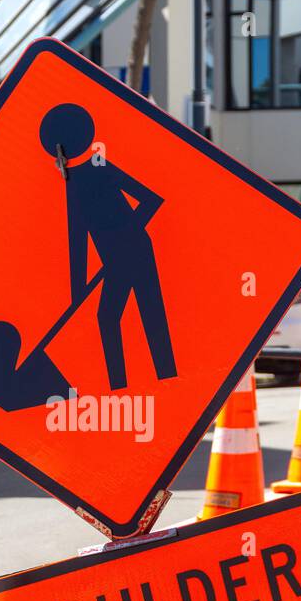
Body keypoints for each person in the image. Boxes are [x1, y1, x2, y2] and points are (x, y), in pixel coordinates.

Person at [39, 102, 177, 392]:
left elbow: (151, 199)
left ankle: (166, 379)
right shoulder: (72, 185)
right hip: (116, 260)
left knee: (150, 312)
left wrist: (127, 234)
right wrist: (77, 295)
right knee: (108, 317)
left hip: (137, 249)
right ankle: (119, 387)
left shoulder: (100, 168)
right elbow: (77, 241)